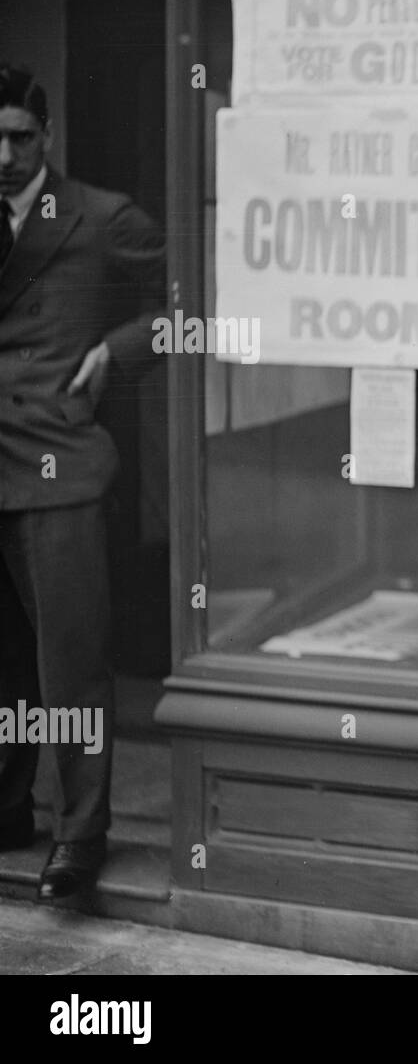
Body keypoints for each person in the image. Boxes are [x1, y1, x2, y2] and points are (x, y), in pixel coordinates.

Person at [0, 65, 165, 901]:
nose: (2, 155)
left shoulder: (99, 216)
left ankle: (79, 836)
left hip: (54, 469)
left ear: (48, 135)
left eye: (18, 139)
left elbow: (183, 296)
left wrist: (118, 350)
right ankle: (7, 812)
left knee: (69, 668)